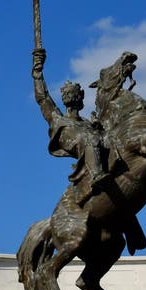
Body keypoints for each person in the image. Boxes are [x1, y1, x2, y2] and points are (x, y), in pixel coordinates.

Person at [32, 48, 109, 200]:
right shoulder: (56, 117)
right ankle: (96, 175)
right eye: (65, 93)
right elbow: (42, 98)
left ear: (80, 98)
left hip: (87, 137)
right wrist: (37, 72)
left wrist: (99, 127)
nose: (67, 94)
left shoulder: (87, 122)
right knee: (90, 137)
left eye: (71, 92)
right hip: (69, 138)